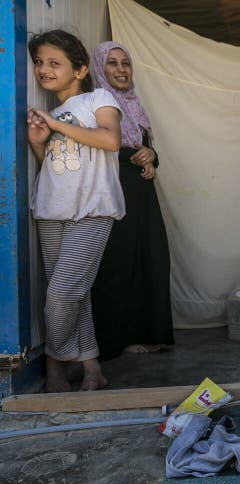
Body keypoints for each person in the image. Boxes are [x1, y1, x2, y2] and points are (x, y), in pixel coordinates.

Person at [26, 30, 124, 392]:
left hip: (93, 210)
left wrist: (53, 125)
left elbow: (110, 139)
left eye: (54, 63)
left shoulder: (98, 98)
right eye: (38, 62)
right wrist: (39, 144)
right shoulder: (51, 114)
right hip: (51, 210)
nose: (43, 69)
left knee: (61, 295)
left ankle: (55, 365)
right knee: (73, 294)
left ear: (80, 69)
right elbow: (53, 166)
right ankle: (91, 369)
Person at [90, 41, 174, 360]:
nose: (121, 69)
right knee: (117, 263)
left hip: (142, 193)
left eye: (125, 63)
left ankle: (148, 334)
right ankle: (113, 341)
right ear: (100, 67)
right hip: (112, 190)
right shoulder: (95, 105)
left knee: (151, 258)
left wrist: (152, 157)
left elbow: (148, 151)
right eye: (112, 63)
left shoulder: (134, 106)